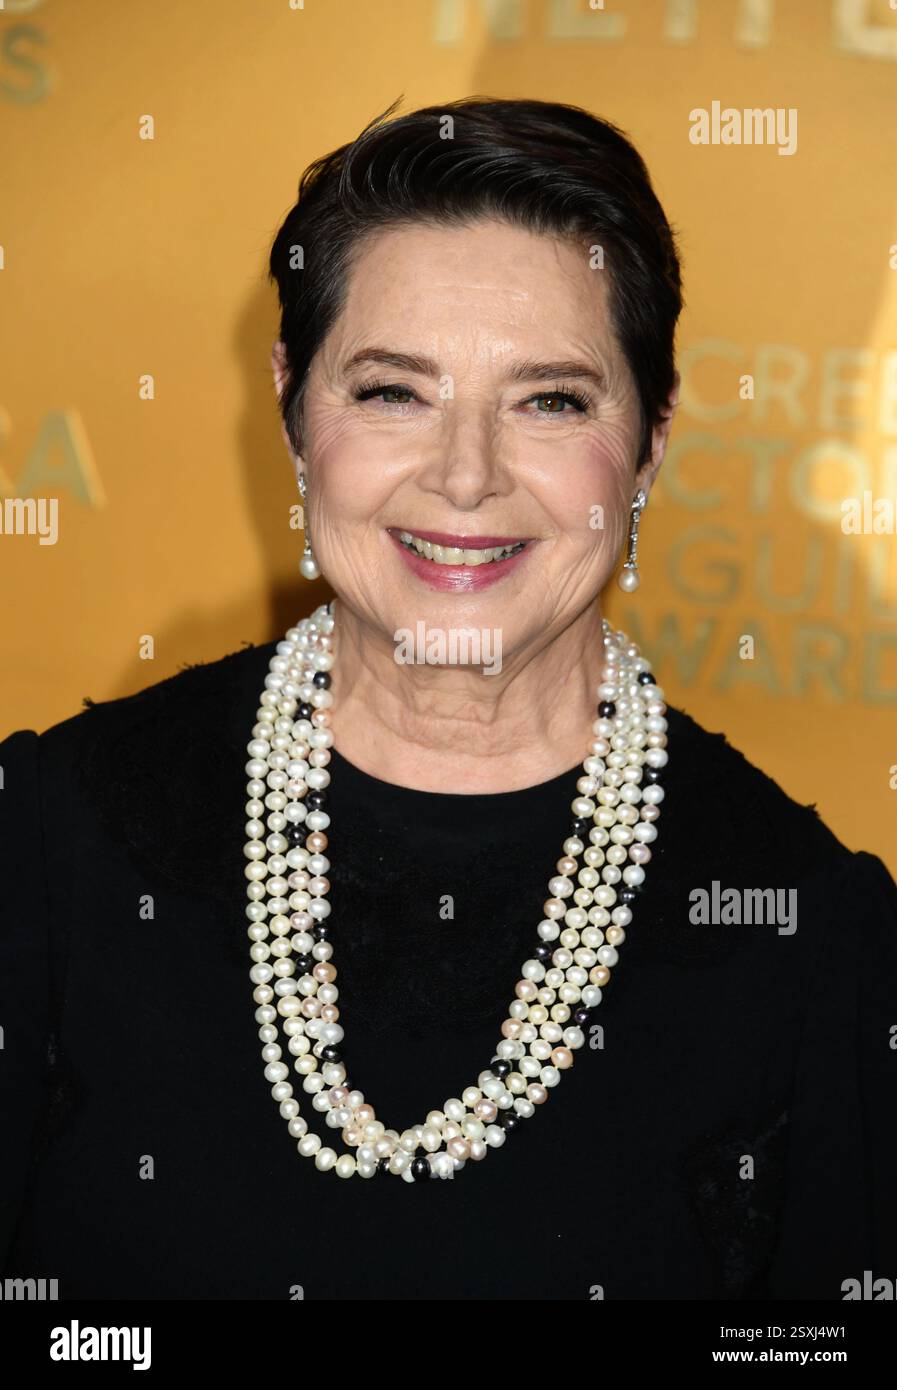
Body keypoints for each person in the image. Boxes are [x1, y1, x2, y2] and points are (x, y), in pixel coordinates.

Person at [1, 96, 894, 1301]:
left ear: (652, 442)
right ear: (292, 409)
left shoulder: (813, 937)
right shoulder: (55, 841)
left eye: (552, 400)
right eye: (391, 392)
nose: (465, 475)